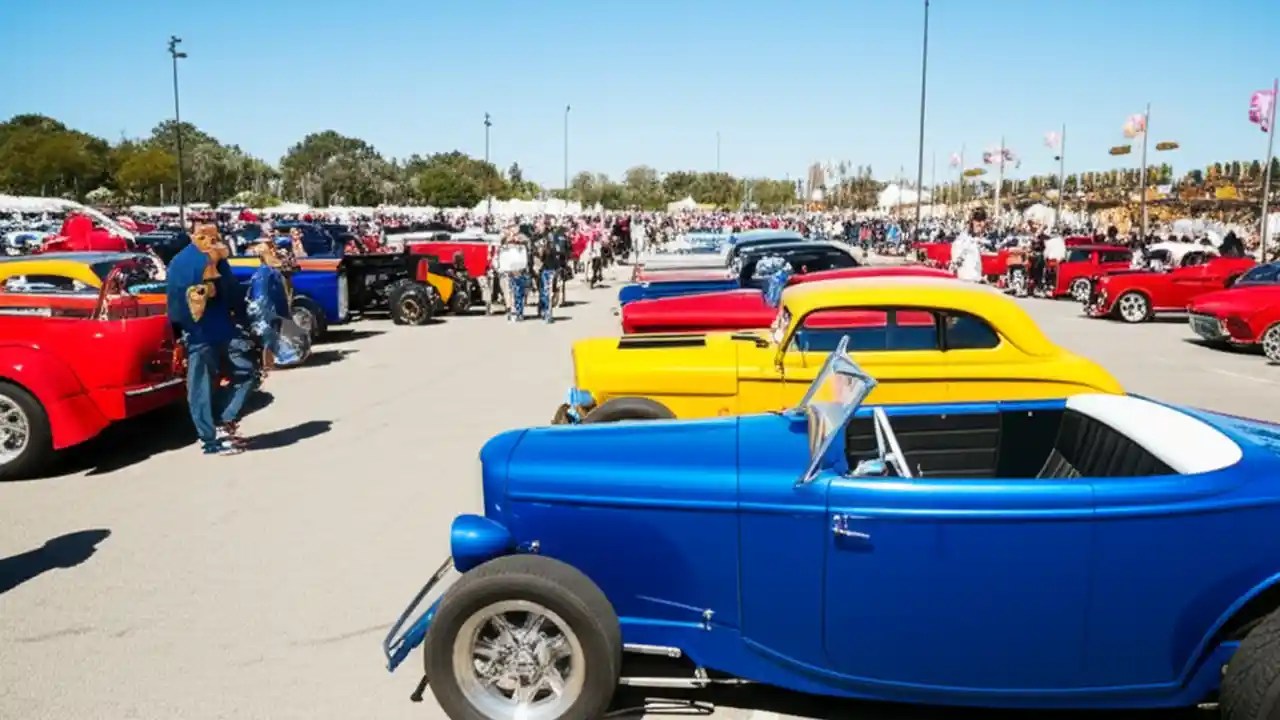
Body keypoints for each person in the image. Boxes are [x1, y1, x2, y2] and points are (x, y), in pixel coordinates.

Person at [166, 224, 256, 456]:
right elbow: (179, 301)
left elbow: (231, 290)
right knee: (205, 385)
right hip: (203, 333)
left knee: (238, 375)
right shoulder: (189, 261)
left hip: (216, 330)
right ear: (196, 235)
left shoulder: (200, 258)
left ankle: (220, 424)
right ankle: (211, 437)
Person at [950, 209, 986, 282]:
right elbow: (957, 266)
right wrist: (979, 279)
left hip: (974, 282)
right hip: (968, 283)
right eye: (978, 219)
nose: (981, 223)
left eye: (983, 220)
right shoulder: (963, 241)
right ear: (971, 222)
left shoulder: (973, 240)